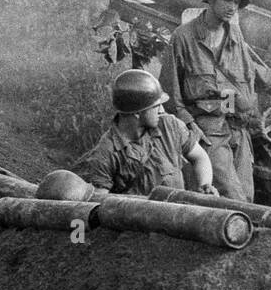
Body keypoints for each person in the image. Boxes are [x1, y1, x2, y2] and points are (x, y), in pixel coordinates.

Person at [161, 0, 271, 202]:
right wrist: (189, 127)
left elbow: (250, 77)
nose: (232, 7)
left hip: (238, 128)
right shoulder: (183, 38)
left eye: (237, 2)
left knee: (247, 195)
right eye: (227, 0)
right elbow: (170, 94)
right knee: (232, 197)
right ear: (210, 0)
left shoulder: (235, 35)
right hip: (207, 129)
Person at [74, 69, 217, 197]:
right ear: (137, 113)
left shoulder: (170, 126)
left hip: (178, 217)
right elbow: (100, 203)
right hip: (139, 223)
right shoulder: (106, 153)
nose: (162, 110)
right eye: (156, 106)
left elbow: (199, 157)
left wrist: (205, 185)